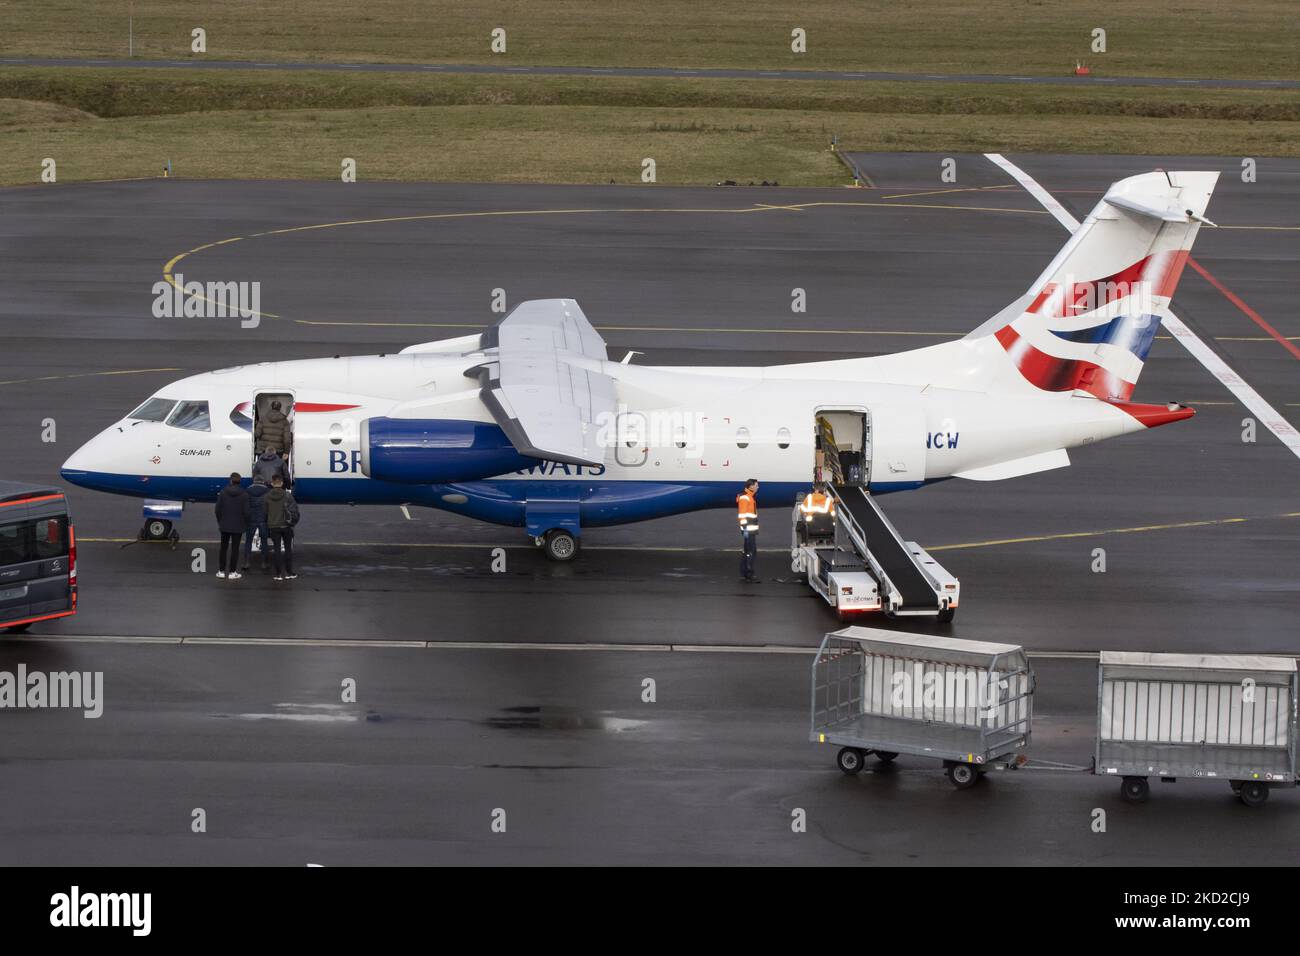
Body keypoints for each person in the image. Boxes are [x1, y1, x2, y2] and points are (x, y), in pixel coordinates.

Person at [214, 473, 249, 580]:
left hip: (225, 525)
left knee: (223, 549)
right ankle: (232, 572)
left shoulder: (223, 493)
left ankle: (221, 571)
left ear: (230, 481)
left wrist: (221, 521)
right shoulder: (244, 494)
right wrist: (244, 523)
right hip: (238, 526)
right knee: (235, 549)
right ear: (240, 481)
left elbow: (217, 510)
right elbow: (247, 512)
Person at [264, 474, 299, 581]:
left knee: (277, 549)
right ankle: (289, 572)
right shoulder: (288, 496)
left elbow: (265, 513)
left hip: (274, 526)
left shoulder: (266, 496)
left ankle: (278, 574)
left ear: (272, 483)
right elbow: (295, 511)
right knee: (288, 549)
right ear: (282, 483)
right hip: (286, 526)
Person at [242, 475, 270, 571]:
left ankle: (247, 562)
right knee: (264, 542)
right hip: (263, 520)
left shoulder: (248, 490)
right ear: (263, 481)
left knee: (248, 541)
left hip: (251, 520)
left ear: (254, 481)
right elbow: (268, 506)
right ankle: (264, 563)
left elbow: (245, 506)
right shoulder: (267, 491)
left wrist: (246, 518)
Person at [736, 478, 760, 583]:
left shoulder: (749, 497)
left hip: (750, 529)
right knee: (751, 551)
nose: (758, 487)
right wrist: (745, 528)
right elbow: (742, 514)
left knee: (747, 551)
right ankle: (748, 574)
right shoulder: (746, 498)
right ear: (751, 486)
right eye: (756, 485)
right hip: (748, 530)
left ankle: (744, 573)